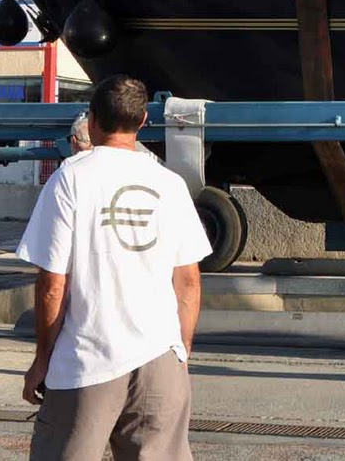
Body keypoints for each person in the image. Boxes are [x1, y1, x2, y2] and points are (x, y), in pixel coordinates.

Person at [18, 75, 212, 460]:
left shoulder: (70, 179)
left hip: (87, 361)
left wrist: (43, 358)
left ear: (91, 120)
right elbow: (188, 281)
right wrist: (180, 350)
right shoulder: (169, 183)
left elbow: (53, 284)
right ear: (142, 122)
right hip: (160, 359)